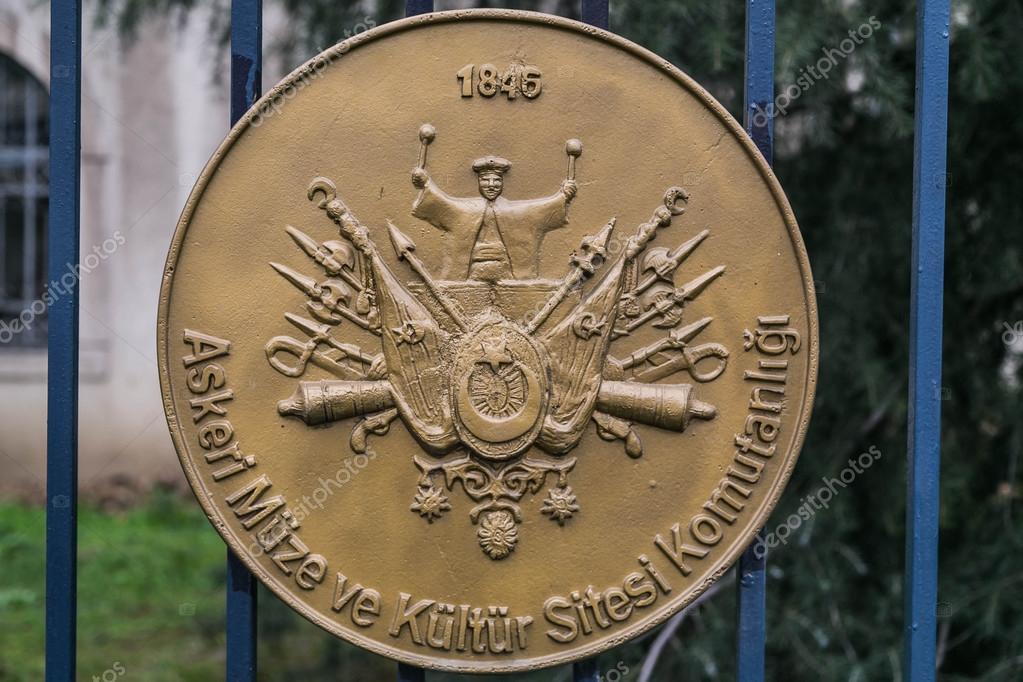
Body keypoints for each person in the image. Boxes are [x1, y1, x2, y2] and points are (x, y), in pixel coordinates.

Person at [411, 155, 577, 281]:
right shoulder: (465, 210)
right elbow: (442, 203)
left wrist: (564, 196)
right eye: (485, 180)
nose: (491, 185)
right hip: (473, 271)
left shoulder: (517, 211)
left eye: (496, 180)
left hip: (506, 272)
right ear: (478, 181)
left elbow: (542, 209)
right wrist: (425, 183)